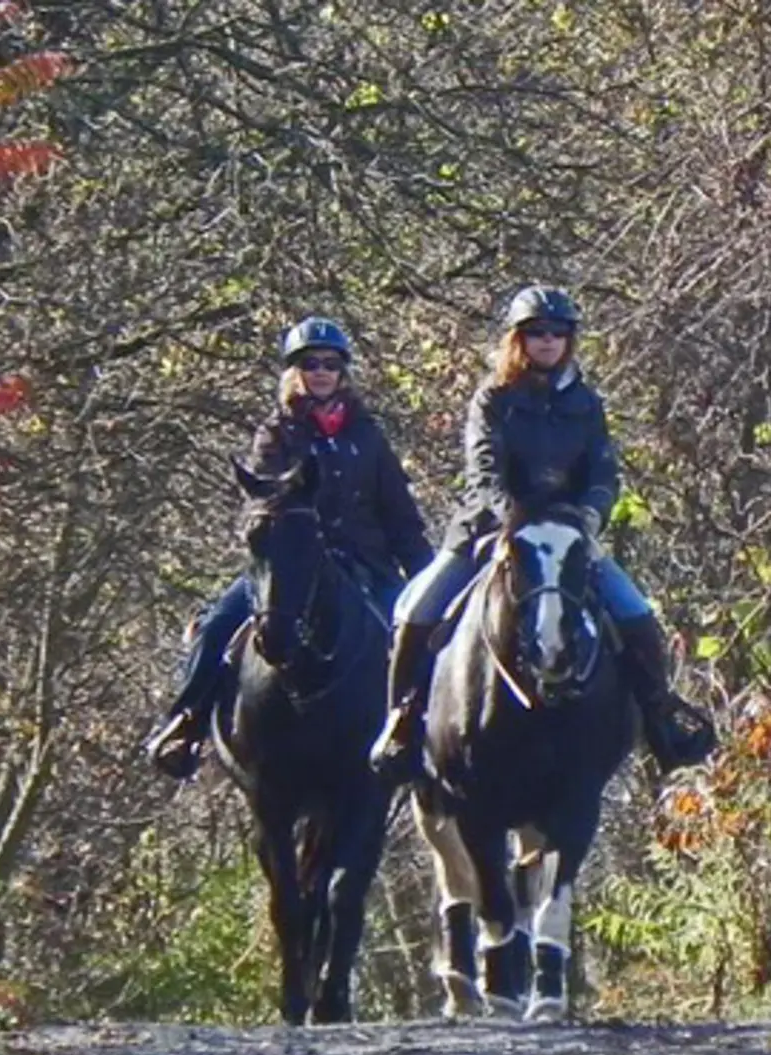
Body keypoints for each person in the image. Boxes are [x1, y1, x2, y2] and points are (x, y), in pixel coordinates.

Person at [369, 285, 717, 786]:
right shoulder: (493, 399)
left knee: (638, 614)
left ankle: (662, 723)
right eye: (537, 333)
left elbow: (603, 472)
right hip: (492, 531)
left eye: (558, 333)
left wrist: (591, 515)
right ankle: (399, 724)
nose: (549, 341)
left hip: (570, 534)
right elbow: (484, 472)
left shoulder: (586, 403)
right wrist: (512, 516)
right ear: (519, 339)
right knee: (415, 610)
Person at [147, 316, 434, 780]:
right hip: (292, 565)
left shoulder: (367, 435)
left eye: (330, 363)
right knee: (219, 625)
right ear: (294, 372)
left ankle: (420, 732)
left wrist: (424, 573)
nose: (321, 371)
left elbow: (399, 513)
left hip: (365, 562)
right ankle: (185, 722)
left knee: (417, 636)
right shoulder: (277, 433)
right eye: (310, 363)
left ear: (343, 372)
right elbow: (264, 498)